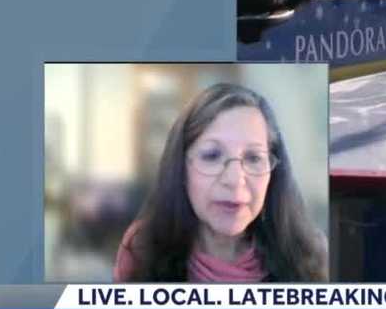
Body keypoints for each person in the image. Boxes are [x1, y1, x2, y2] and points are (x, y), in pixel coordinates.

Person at [114, 83, 327, 282]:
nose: (234, 180)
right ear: (181, 167)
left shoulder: (310, 253)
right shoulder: (142, 248)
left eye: (253, 158)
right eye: (212, 156)